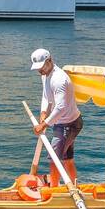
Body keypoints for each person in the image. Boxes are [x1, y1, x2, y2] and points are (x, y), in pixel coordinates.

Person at [30, 47, 82, 187]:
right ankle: (74, 185)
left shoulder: (59, 79)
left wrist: (44, 124)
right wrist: (43, 113)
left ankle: (53, 190)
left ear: (50, 61)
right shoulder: (45, 75)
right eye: (38, 68)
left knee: (54, 159)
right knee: (67, 158)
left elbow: (61, 107)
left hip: (69, 124)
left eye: (42, 67)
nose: (40, 70)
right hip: (61, 122)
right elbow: (46, 96)